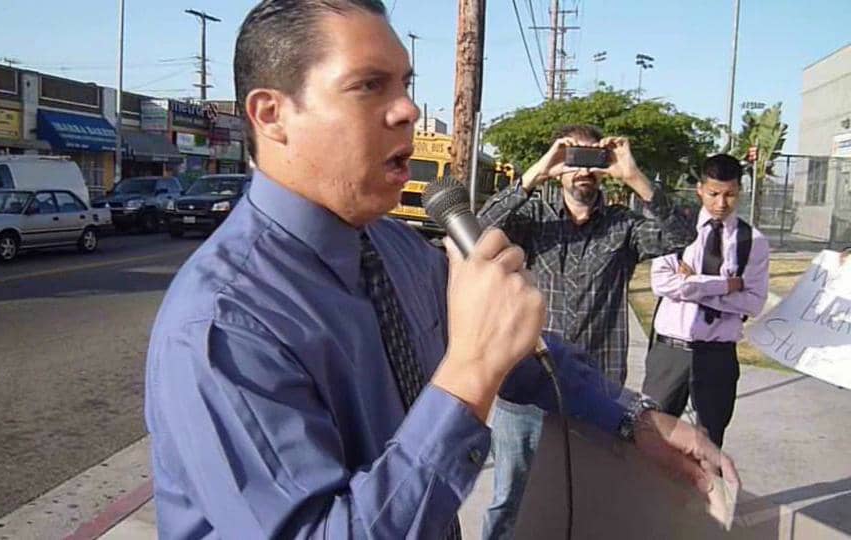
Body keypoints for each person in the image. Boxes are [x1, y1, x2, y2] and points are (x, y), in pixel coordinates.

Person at [144, 2, 738, 538]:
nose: (407, 109)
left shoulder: (398, 249)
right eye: (369, 86)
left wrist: (634, 418)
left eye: (404, 84)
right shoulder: (224, 323)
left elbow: (519, 356)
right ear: (272, 114)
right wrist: (469, 374)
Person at [477, 126, 697, 538]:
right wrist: (537, 170)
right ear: (560, 169)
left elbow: (682, 235)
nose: (583, 171)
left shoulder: (623, 226)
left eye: (592, 161)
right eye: (573, 160)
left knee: (589, 501)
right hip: (527, 388)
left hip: (599, 394)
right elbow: (481, 229)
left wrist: (634, 176)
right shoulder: (533, 221)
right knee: (510, 501)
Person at [643, 154, 770, 447]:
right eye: (714, 194)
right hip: (670, 351)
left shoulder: (753, 242)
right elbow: (661, 282)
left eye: (730, 195)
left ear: (740, 191)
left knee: (710, 441)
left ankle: (707, 492)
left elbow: (752, 303)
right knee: (653, 435)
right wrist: (726, 285)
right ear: (700, 189)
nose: (721, 203)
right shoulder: (675, 229)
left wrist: (690, 284)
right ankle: (651, 493)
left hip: (718, 354)